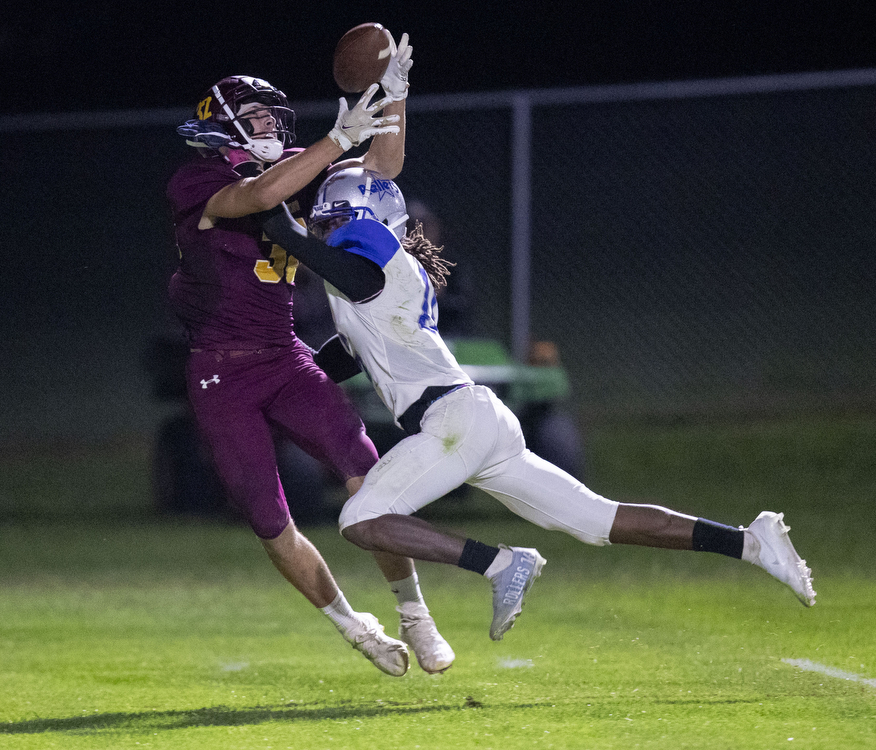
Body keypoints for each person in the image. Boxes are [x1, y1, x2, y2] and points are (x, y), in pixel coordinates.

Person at [256, 167, 817, 650]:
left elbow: (327, 258)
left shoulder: (377, 258)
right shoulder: (363, 289)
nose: (326, 232)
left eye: (335, 221)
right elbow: (335, 360)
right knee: (600, 520)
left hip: (452, 423)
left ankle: (501, 564)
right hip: (474, 422)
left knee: (359, 520)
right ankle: (749, 542)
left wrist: (266, 200)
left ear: (370, 221)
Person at [165, 37, 455, 677]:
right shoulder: (199, 178)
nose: (273, 125)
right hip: (219, 370)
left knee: (368, 474)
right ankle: (358, 630)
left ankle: (415, 613)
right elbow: (256, 199)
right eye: (259, 116)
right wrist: (333, 139)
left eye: (276, 115)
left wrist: (395, 98)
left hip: (284, 354)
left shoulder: (300, 163)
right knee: (271, 521)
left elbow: (382, 166)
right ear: (223, 124)